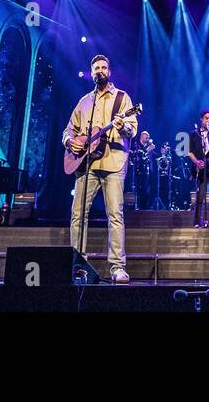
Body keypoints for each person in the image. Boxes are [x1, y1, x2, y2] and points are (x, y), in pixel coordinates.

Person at [64, 55, 138, 283]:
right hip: (87, 164)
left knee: (115, 215)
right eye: (96, 68)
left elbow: (132, 129)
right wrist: (70, 142)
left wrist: (123, 125)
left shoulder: (122, 98)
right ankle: (78, 264)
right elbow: (68, 131)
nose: (100, 71)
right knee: (78, 215)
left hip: (114, 162)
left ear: (109, 71)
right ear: (91, 72)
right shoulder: (84, 101)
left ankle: (117, 267)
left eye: (104, 67)